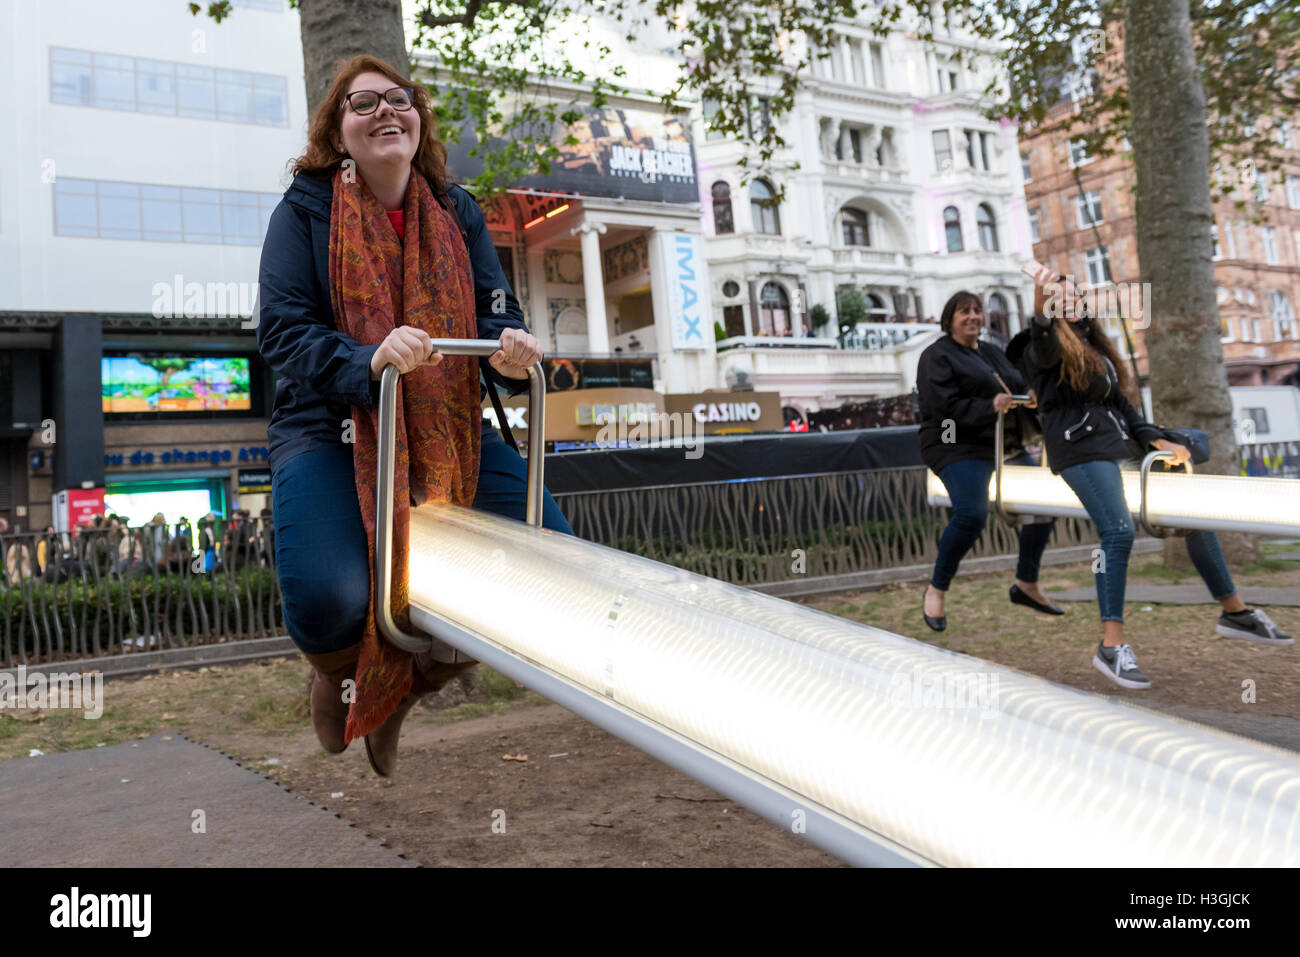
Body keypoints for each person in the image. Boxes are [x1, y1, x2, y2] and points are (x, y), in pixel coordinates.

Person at [257, 55, 573, 778]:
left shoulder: (455, 210)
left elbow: (498, 315)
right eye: (361, 105)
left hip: (447, 424)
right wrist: (367, 358)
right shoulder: (305, 209)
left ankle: (408, 686)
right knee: (333, 597)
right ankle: (341, 676)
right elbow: (281, 329)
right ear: (338, 132)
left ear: (418, 118)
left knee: (548, 557)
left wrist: (511, 352)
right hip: (332, 425)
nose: (383, 113)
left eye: (397, 100)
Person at [1013, 270, 1292, 689]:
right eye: (1058, 298)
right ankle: (1111, 646)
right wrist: (1041, 315)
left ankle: (1235, 612)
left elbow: (1124, 410)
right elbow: (1044, 349)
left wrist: (1156, 437)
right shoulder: (1039, 347)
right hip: (1081, 451)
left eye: (1073, 295)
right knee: (1118, 533)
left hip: (1120, 448)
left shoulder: (1097, 348)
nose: (1068, 302)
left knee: (1191, 515)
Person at [916, 291, 1061, 632]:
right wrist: (988, 406)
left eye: (977, 310)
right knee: (971, 513)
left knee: (1046, 505)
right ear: (949, 318)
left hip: (1001, 444)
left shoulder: (992, 352)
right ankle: (937, 588)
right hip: (955, 444)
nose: (973, 317)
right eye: (964, 311)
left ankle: (1026, 583)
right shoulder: (936, 356)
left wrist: (1029, 395)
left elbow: (1015, 383)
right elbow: (943, 408)